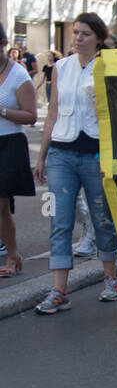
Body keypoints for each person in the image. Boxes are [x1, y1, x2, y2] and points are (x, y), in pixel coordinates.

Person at [32, 13, 117, 314]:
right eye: (75, 33)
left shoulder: (107, 67)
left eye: (85, 34)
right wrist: (42, 155)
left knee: (102, 216)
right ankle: (59, 290)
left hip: (96, 151)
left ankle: (110, 278)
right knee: (60, 220)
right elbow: (53, 111)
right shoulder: (61, 67)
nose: (78, 38)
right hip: (62, 152)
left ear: (98, 38)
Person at [0, 24, 38, 279]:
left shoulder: (18, 75)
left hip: (9, 144)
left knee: (1, 203)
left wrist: (2, 111)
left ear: (3, 42)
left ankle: (13, 255)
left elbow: (31, 116)